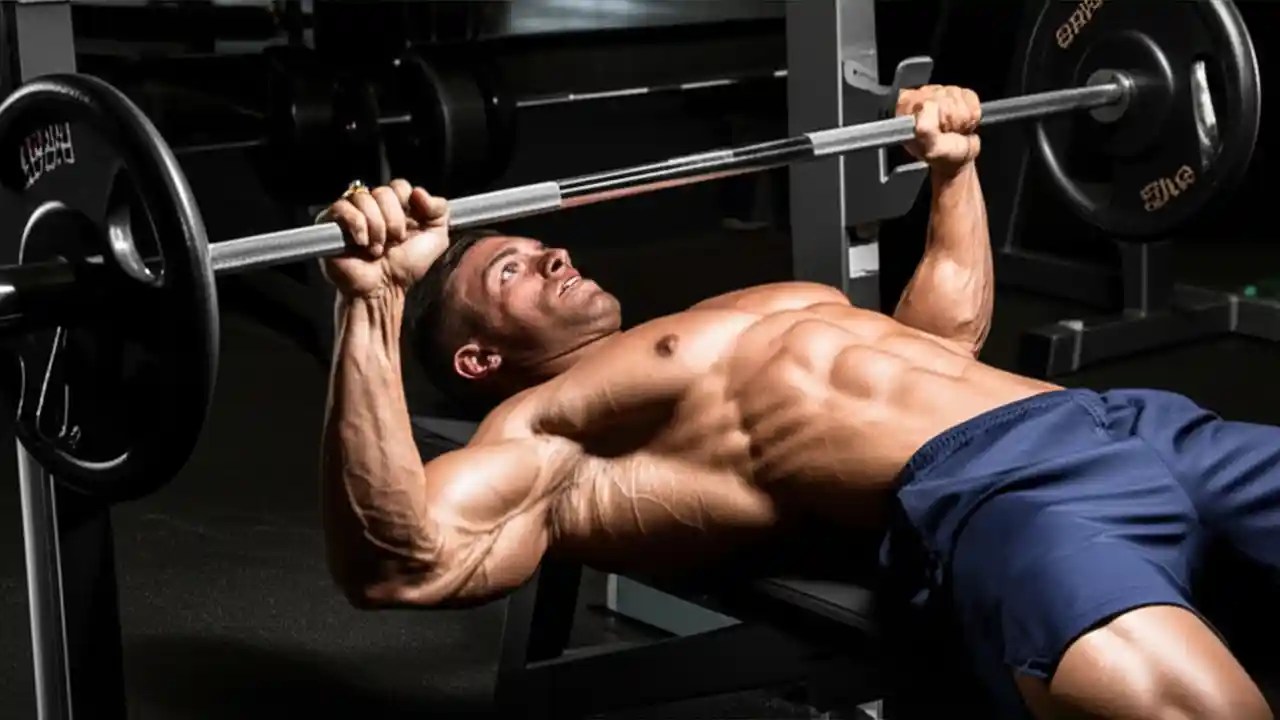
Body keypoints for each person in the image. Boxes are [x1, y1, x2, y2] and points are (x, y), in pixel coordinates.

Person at [315, 84, 1276, 720]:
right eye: (511, 271)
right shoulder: (548, 431)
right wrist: (374, 305)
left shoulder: (736, 310)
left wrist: (953, 169)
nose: (553, 255)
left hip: (1132, 421)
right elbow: (401, 562)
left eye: (538, 245)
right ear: (479, 360)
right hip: (1006, 494)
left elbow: (942, 340)